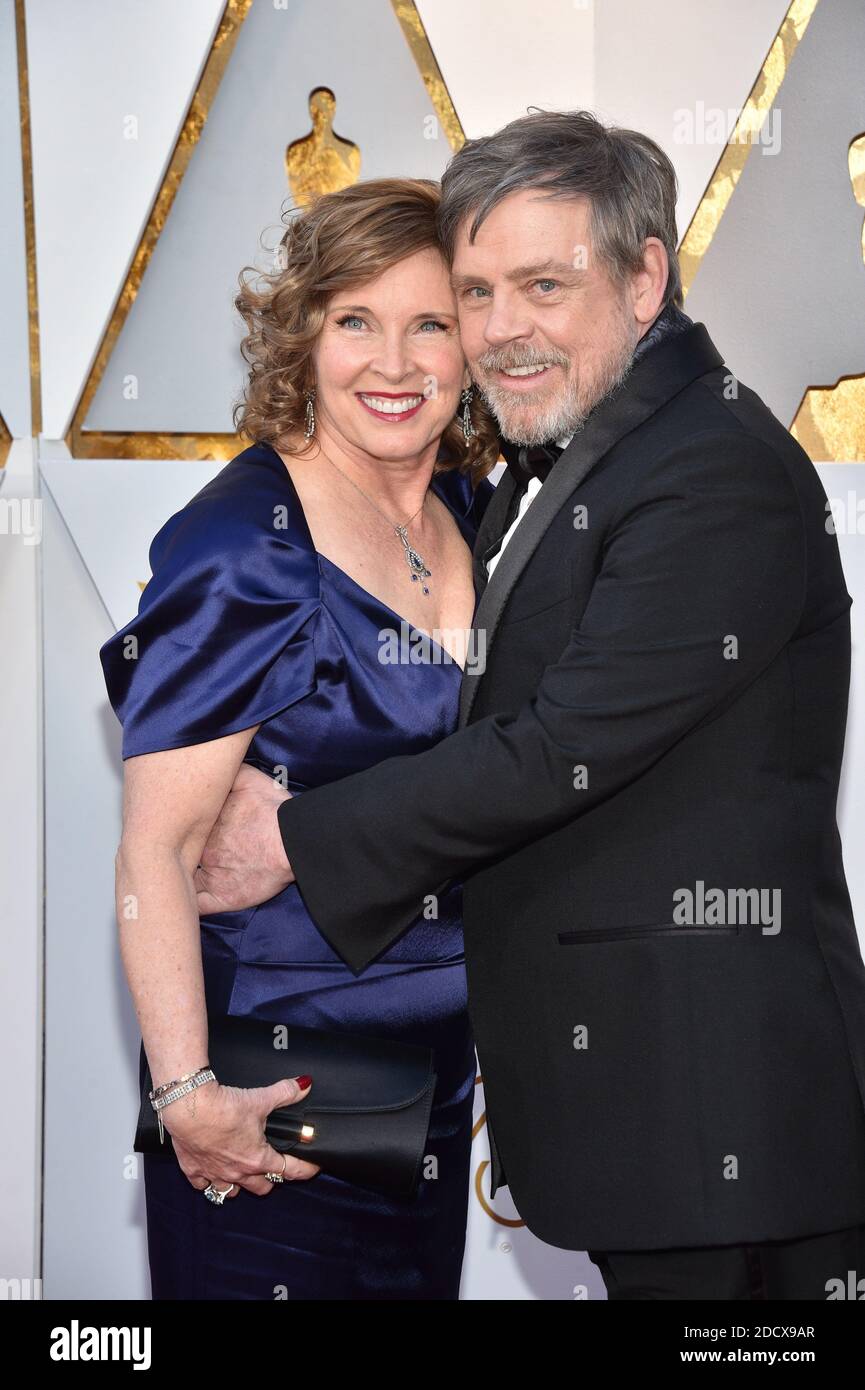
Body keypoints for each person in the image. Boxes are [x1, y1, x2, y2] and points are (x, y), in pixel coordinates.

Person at [195, 111, 865, 1301]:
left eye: (543, 285)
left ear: (644, 274)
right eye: (478, 290)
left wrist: (291, 839)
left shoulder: (712, 471)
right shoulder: (560, 462)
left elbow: (557, 746)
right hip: (635, 1109)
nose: (501, 330)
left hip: (723, 1119)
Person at [99, 177, 498, 1300]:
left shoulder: (471, 511)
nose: (395, 362)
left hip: (432, 1093)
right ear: (303, 333)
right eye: (354, 321)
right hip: (271, 1107)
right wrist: (189, 1099)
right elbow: (155, 853)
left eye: (430, 323)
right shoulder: (245, 547)